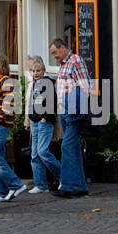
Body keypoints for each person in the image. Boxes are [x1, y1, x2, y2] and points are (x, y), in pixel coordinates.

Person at [50, 37, 91, 198]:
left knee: (67, 147)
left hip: (72, 112)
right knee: (73, 148)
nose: (54, 56)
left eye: (55, 52)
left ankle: (67, 186)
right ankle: (80, 186)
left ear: (63, 48)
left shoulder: (75, 61)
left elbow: (85, 85)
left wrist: (77, 109)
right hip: (64, 111)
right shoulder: (64, 65)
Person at [0, 53, 26, 204]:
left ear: (4, 67)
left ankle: (16, 184)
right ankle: (2, 192)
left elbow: (10, 103)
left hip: (0, 124)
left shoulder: (6, 80)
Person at [26, 56, 60, 194]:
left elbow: (52, 101)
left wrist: (45, 117)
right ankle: (41, 185)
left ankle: (63, 175)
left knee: (42, 151)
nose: (35, 73)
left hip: (44, 122)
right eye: (33, 71)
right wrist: (30, 119)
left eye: (38, 70)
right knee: (34, 154)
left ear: (44, 70)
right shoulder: (34, 84)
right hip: (35, 122)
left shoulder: (48, 82)